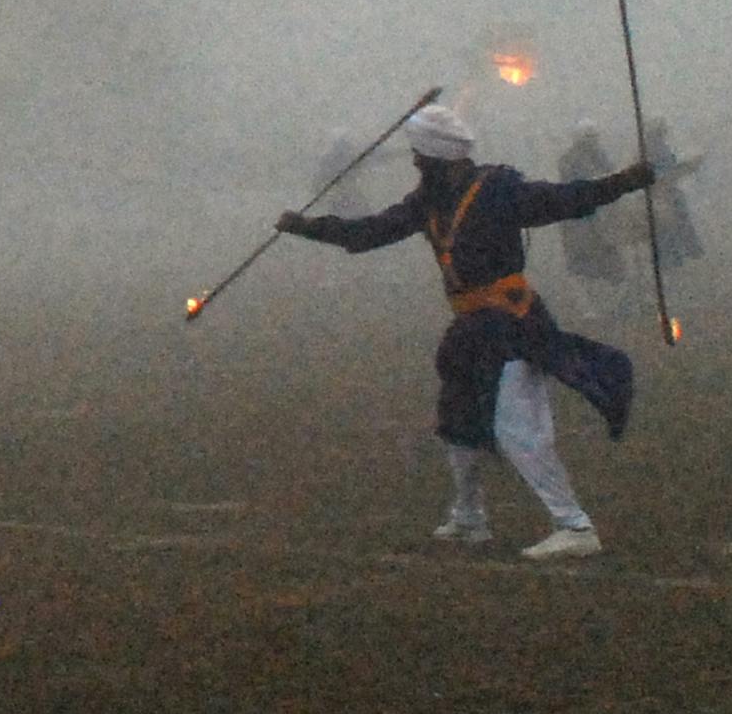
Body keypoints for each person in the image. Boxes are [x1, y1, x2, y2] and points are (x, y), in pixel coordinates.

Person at [276, 103, 654, 561]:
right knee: (458, 422)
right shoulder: (429, 201)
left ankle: (574, 524)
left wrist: (624, 182)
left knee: (518, 429)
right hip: (472, 327)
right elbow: (370, 233)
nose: (415, 164)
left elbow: (564, 200)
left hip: (513, 324)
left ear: (440, 159)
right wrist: (307, 228)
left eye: (421, 158)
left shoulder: (497, 189)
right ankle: (469, 517)